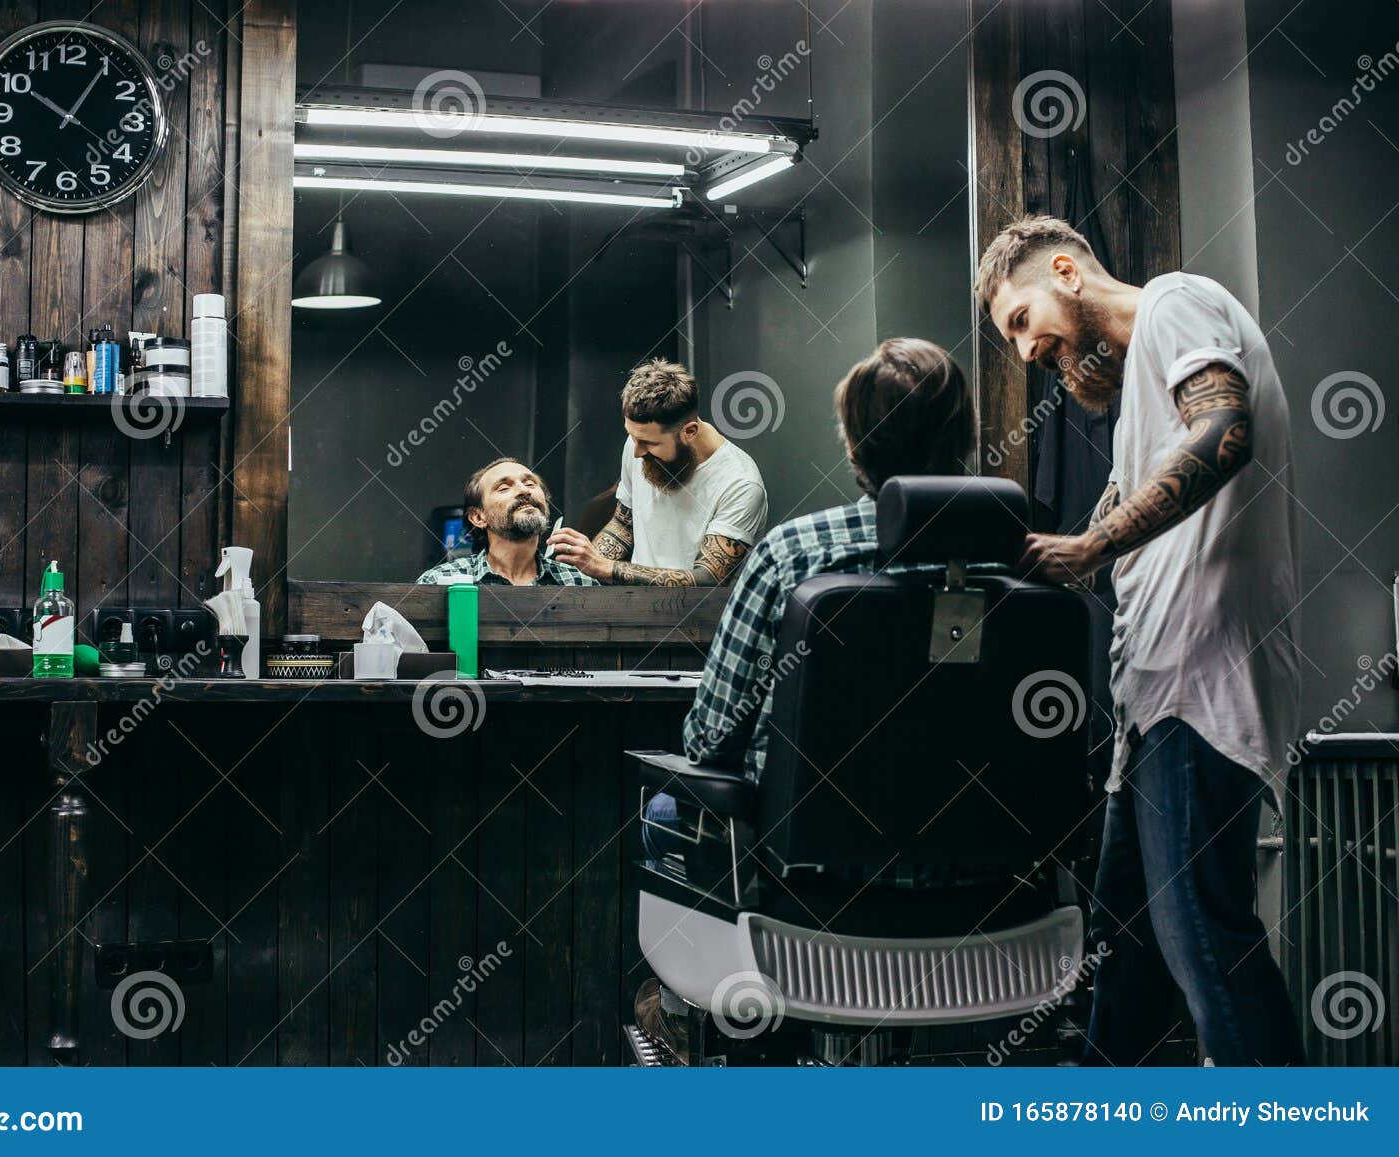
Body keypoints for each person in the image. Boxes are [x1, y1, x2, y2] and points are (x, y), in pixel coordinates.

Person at [976, 214, 1304, 1066]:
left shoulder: (1175, 304)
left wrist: (1092, 546)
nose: (1024, 353)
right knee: (1126, 962)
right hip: (1152, 708)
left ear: (1066, 271)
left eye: (1021, 320)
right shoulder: (1133, 411)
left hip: (1201, 693)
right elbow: (1113, 524)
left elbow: (1226, 429)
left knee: (1208, 947)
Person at [633, 338, 973, 1060]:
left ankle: (732, 1046)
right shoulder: (1027, 553)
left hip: (810, 897)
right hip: (983, 897)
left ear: (855, 445)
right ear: (966, 434)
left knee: (669, 806)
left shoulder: (796, 554)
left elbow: (708, 739)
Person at [547, 359, 767, 585]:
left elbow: (708, 579)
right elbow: (625, 523)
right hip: (640, 608)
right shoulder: (638, 444)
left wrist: (606, 568)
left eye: (649, 443)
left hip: (701, 617)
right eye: (632, 437)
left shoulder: (741, 484)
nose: (637, 452)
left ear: (689, 432)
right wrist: (582, 572)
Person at [416, 457, 597, 587]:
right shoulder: (438, 583)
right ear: (478, 517)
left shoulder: (577, 583)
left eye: (531, 484)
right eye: (503, 488)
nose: (524, 490)